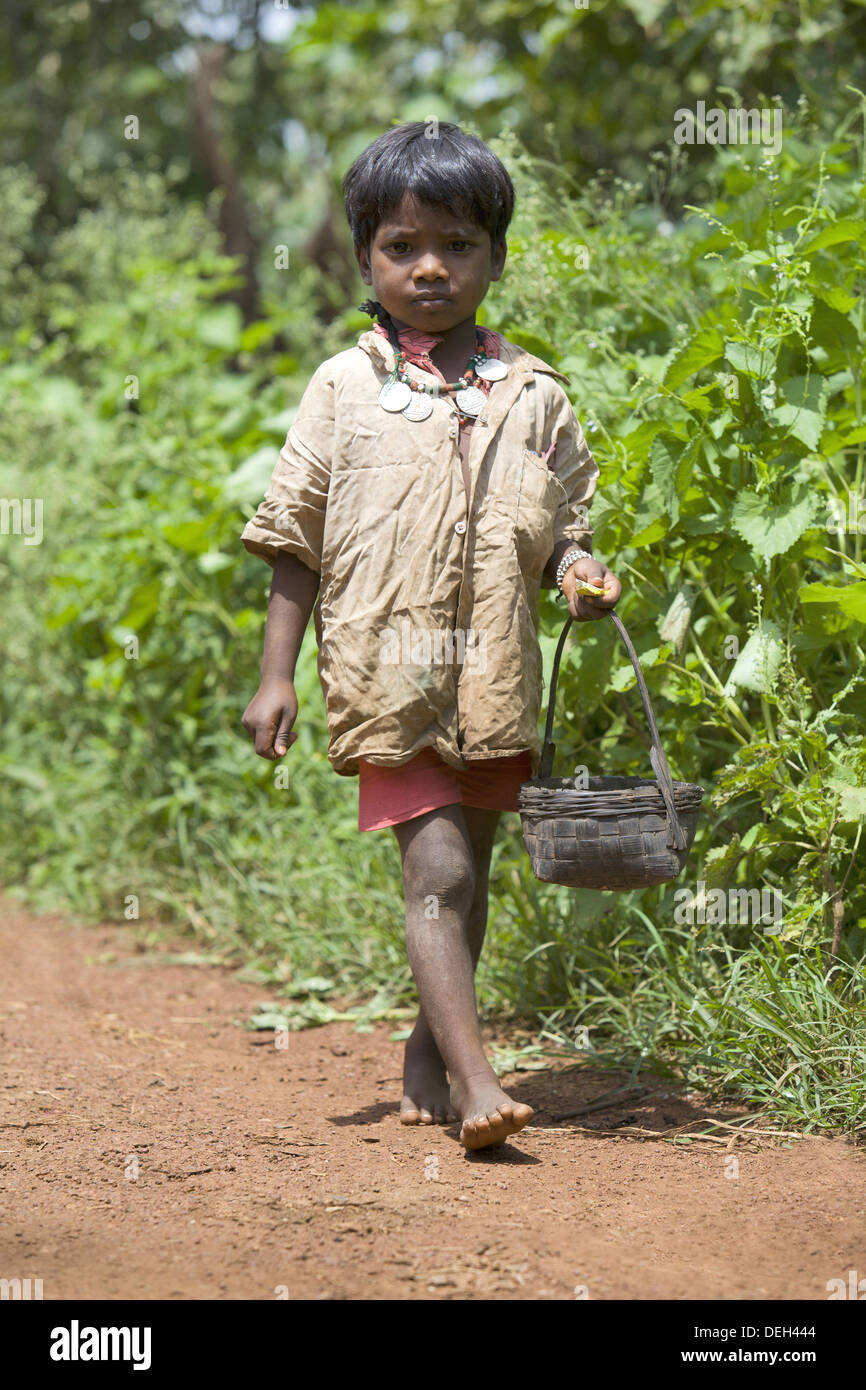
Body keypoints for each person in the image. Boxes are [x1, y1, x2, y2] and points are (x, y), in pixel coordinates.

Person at [240, 121, 622, 1150]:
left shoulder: (535, 396)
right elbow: (295, 538)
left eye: (457, 245)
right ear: (364, 253)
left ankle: (426, 1046)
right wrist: (274, 675)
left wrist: (581, 576)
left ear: (494, 256)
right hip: (387, 671)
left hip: (494, 673)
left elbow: (565, 533)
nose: (430, 268)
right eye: (402, 245)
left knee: (472, 873)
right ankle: (476, 1079)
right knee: (439, 871)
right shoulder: (343, 388)